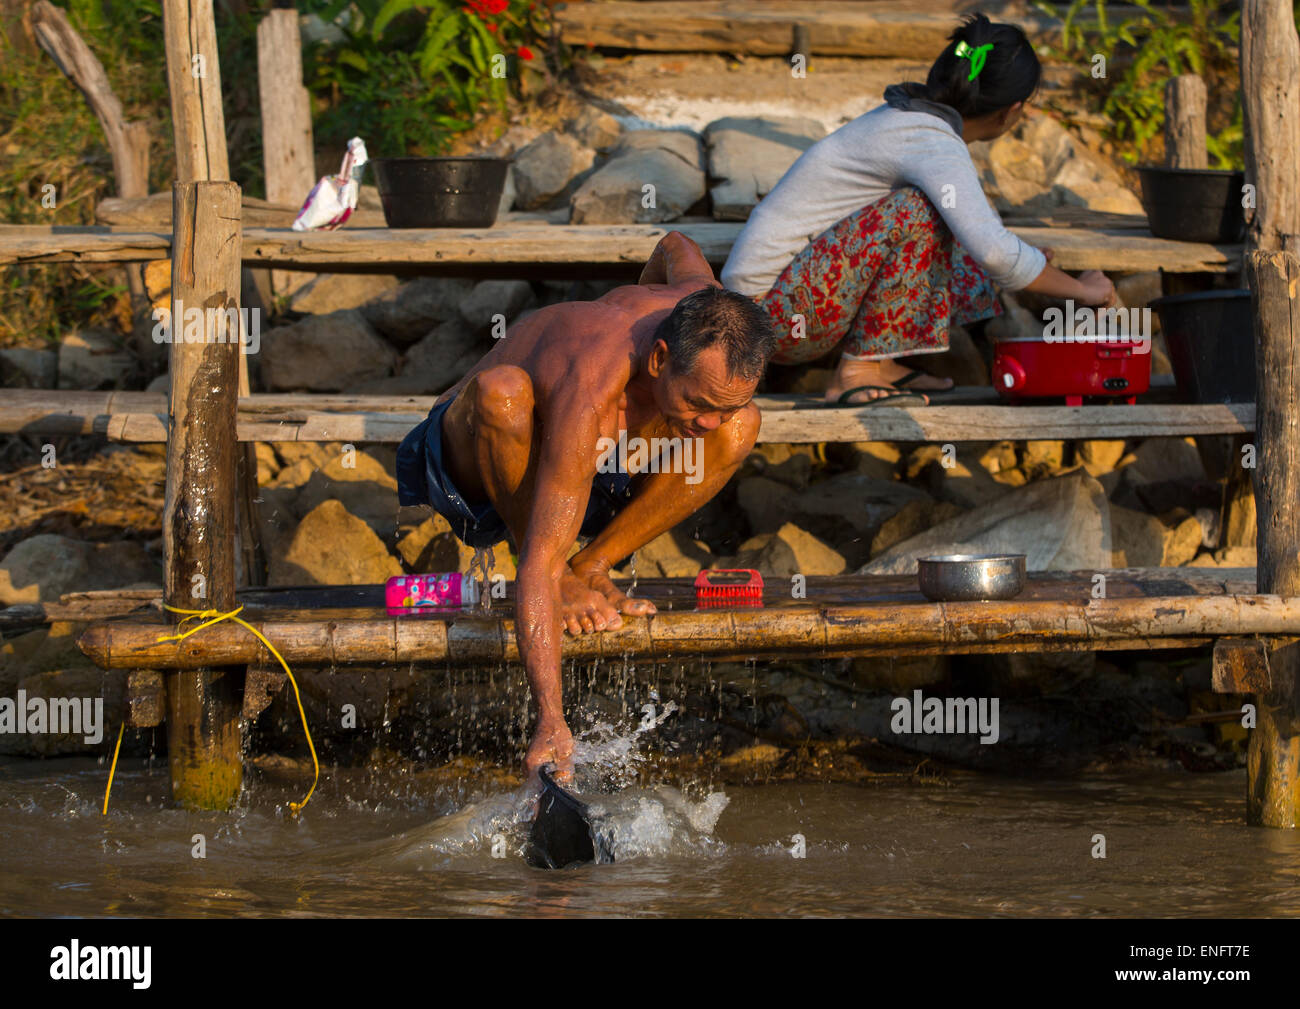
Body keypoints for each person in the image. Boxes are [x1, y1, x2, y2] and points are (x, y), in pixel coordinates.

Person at [395, 232, 778, 781]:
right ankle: (565, 579)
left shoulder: (704, 303)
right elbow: (535, 564)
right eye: (698, 403)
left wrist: (709, 407)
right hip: (466, 456)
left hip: (595, 457)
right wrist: (551, 719)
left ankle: (593, 563)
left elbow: (675, 242)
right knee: (503, 394)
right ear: (659, 356)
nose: (708, 423)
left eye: (723, 404)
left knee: (746, 427)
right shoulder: (591, 382)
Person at [721, 12, 1117, 406]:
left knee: (954, 225)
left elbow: (986, 235)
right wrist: (1084, 290)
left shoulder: (914, 124)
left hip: (776, 308)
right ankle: (857, 371)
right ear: (1012, 110)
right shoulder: (930, 141)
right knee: (922, 210)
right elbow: (995, 252)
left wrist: (1030, 263)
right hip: (766, 319)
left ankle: (880, 361)